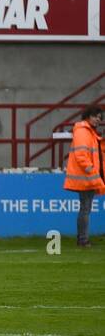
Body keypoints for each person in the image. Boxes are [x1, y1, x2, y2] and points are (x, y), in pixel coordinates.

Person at [63, 105, 103, 248]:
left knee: (85, 209)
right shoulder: (83, 131)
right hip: (86, 178)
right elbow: (81, 155)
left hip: (88, 177)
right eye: (96, 117)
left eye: (99, 118)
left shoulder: (88, 132)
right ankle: (83, 240)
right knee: (85, 209)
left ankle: (82, 239)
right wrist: (91, 171)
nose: (98, 120)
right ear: (88, 116)